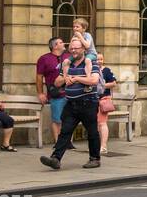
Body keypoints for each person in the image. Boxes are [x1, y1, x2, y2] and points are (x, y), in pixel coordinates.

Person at [40, 36, 102, 170]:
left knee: (92, 132)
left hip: (88, 103)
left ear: (84, 49)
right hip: (71, 104)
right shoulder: (67, 64)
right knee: (65, 131)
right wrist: (65, 79)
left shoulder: (92, 63)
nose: (73, 51)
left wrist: (77, 78)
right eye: (71, 48)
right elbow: (56, 82)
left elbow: (94, 81)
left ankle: (94, 159)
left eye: (76, 48)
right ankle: (55, 159)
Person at [36, 37, 68, 146]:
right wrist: (40, 93)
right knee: (57, 119)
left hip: (70, 92)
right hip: (56, 94)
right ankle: (58, 142)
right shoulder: (44, 59)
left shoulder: (68, 56)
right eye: (61, 42)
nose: (63, 43)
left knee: (69, 119)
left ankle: (68, 142)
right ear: (55, 46)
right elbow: (39, 77)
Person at [95, 58, 119, 154]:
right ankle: (96, 146)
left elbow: (113, 83)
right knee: (94, 124)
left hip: (103, 100)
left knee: (102, 123)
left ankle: (103, 146)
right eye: (97, 59)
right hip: (92, 100)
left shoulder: (106, 70)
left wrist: (102, 85)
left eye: (101, 59)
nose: (99, 61)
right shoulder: (90, 69)